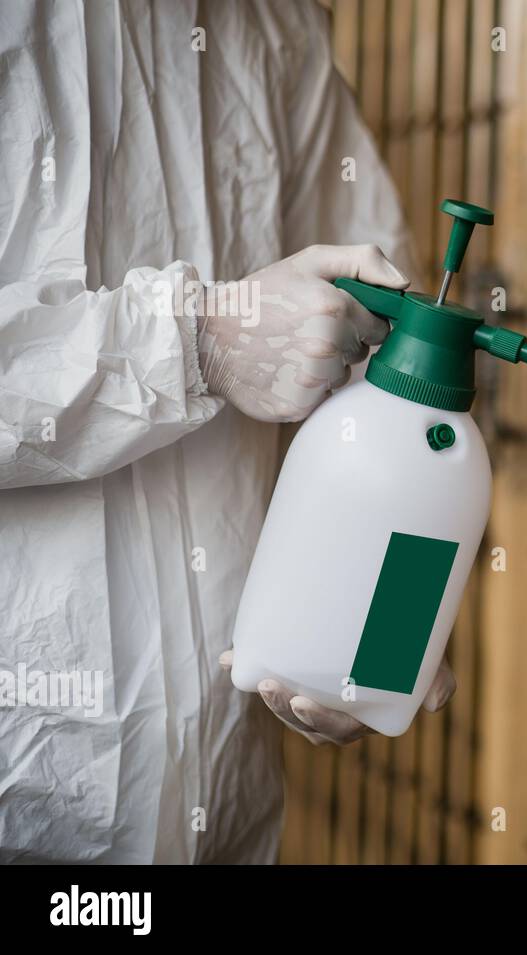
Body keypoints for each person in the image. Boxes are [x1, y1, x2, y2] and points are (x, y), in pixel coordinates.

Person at [0, 0, 454, 863]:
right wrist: (194, 339)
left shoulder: (275, 24)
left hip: (226, 778)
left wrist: (391, 612)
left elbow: (380, 325)